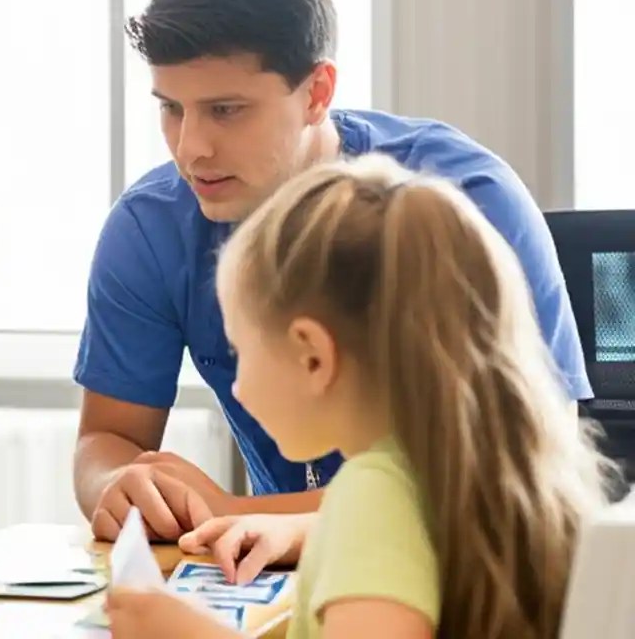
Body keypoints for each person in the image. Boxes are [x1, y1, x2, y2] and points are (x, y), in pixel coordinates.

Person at [73, 0, 591, 541]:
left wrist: (232, 513)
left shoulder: (462, 202)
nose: (191, 150)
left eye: (226, 110)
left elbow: (515, 481)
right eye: (170, 108)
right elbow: (108, 440)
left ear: (316, 93)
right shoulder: (150, 226)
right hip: (275, 573)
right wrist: (118, 485)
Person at [105, 155, 614, 638]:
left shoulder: (373, 498)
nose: (235, 387)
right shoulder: (463, 472)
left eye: (242, 350)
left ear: (312, 356)